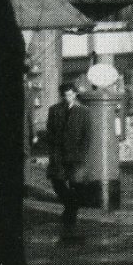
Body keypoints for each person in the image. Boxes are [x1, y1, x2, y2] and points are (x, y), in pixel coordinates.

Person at [44, 82, 88, 232]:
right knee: (57, 183)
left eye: (70, 94)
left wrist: (83, 153)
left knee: (76, 186)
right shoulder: (54, 110)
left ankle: (71, 212)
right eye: (65, 95)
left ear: (75, 94)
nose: (67, 97)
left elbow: (86, 135)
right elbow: (49, 131)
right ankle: (70, 207)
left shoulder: (83, 112)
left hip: (75, 154)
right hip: (58, 153)